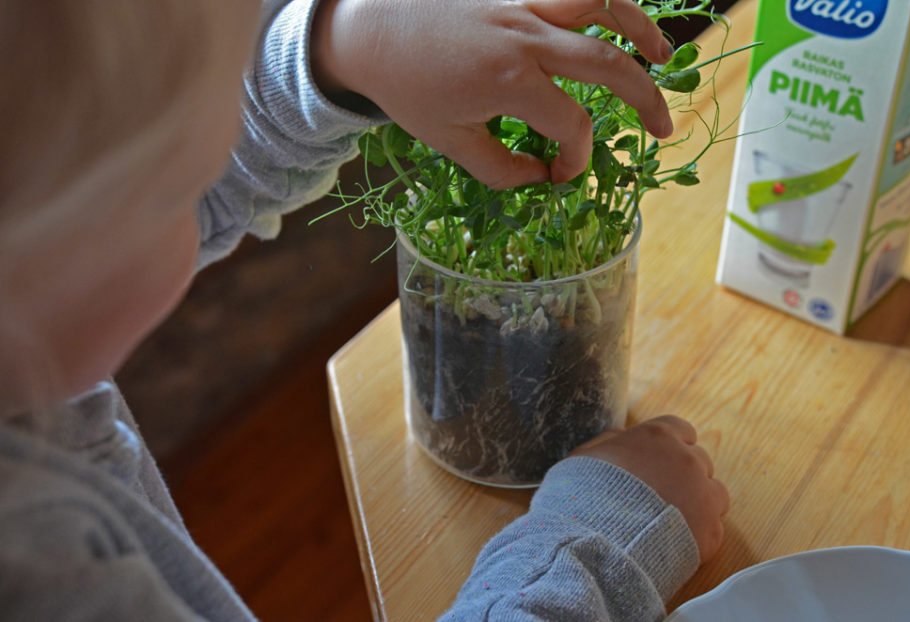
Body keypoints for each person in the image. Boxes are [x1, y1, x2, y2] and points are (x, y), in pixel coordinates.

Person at [0, 0, 728, 619]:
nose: (201, 201)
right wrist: (593, 545)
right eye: (173, 194)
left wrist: (343, 47)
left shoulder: (34, 329)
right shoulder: (45, 575)